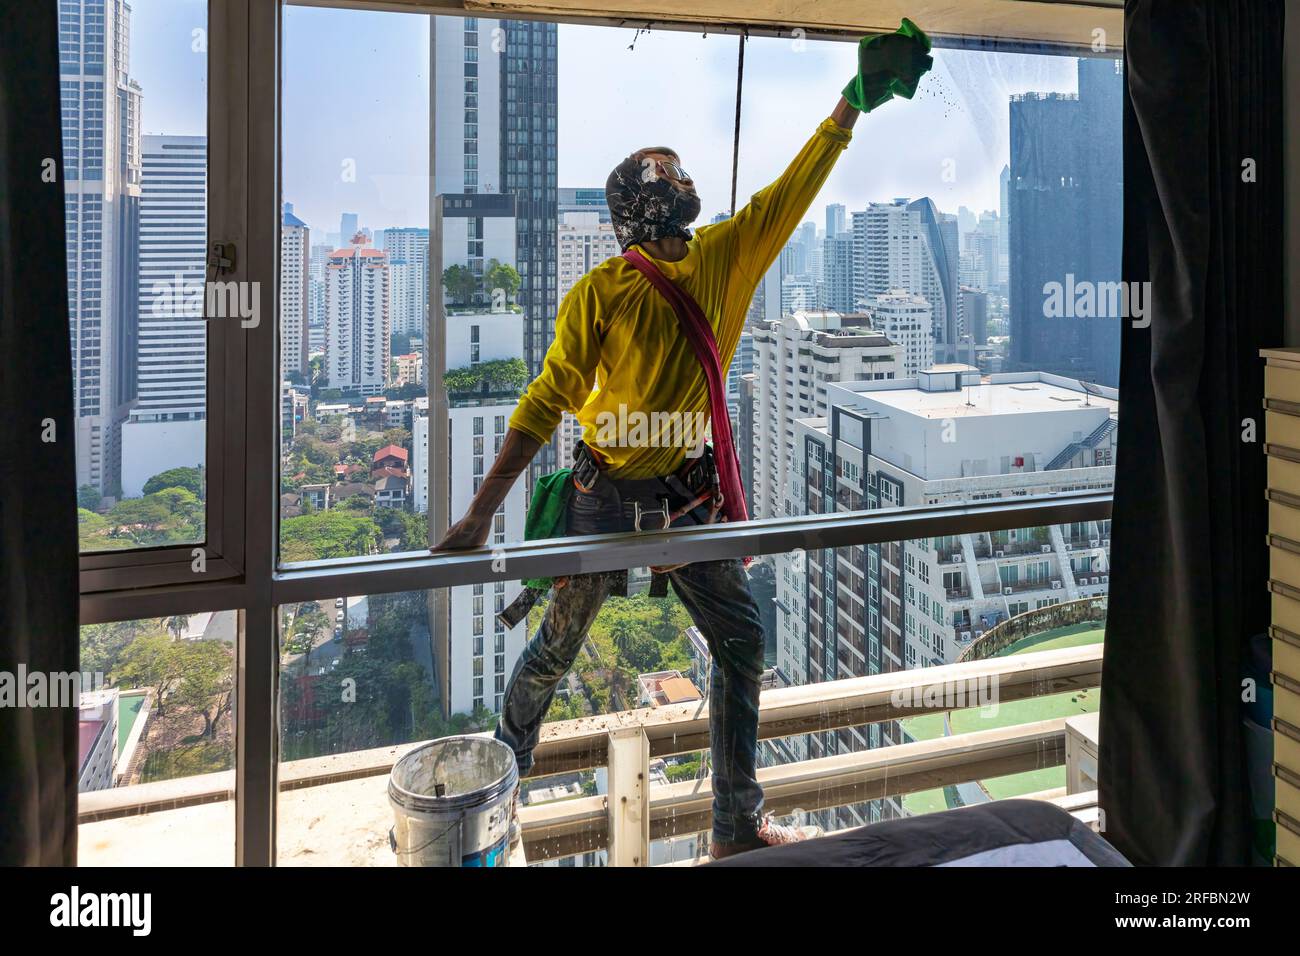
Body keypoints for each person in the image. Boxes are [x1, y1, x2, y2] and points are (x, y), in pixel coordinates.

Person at [434, 23, 932, 859]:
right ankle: (536, 804)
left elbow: (544, 404)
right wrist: (850, 103)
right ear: (666, 203)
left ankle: (716, 822)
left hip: (652, 497)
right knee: (608, 648)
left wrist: (483, 515)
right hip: (635, 497)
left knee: (634, 647)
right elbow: (791, 193)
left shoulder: (649, 276)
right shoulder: (682, 269)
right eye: (672, 182)